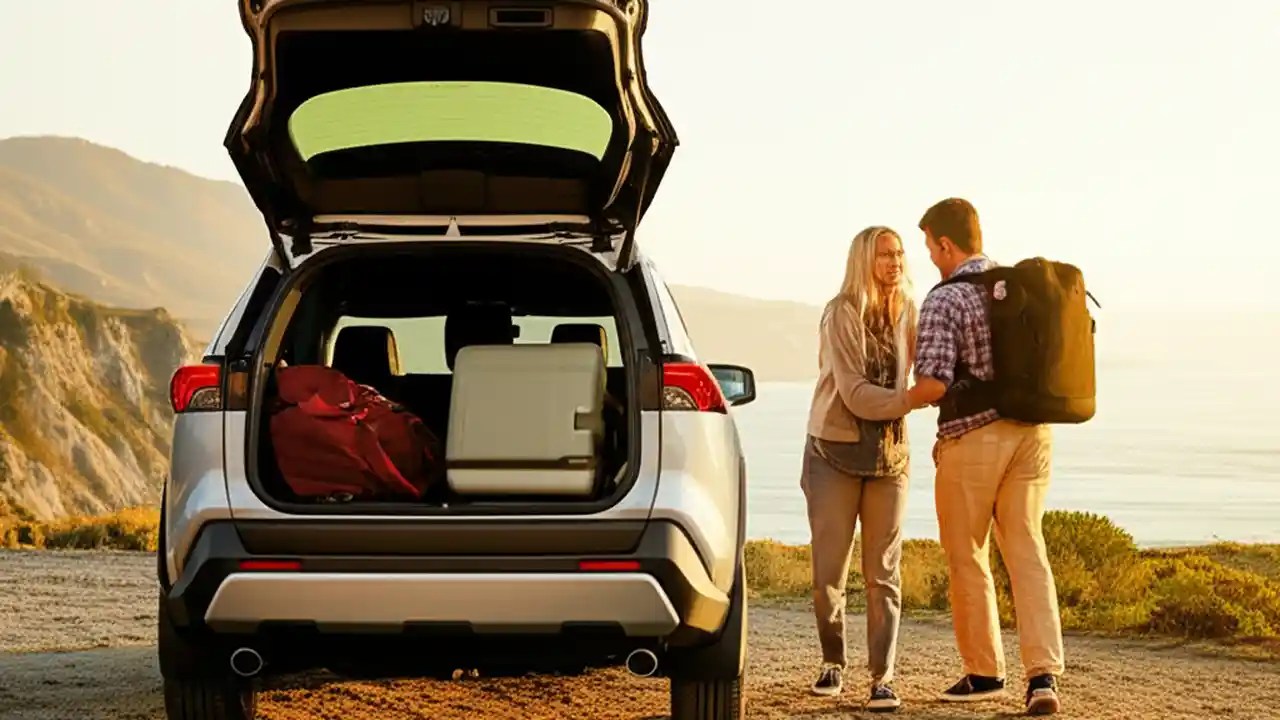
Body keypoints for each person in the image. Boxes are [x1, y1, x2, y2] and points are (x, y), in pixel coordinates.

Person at [905, 198, 1064, 715]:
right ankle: (1043, 678)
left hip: (973, 440)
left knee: (967, 555)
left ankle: (984, 671)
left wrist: (892, 403)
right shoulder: (1016, 289)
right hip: (1033, 436)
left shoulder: (946, 300)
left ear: (946, 243)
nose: (929, 256)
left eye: (930, 246)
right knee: (1027, 551)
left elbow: (932, 384)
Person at [801, 225, 920, 712]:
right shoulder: (841, 312)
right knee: (830, 569)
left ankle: (882, 677)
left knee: (883, 572)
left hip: (890, 456)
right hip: (834, 452)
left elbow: (929, 368)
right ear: (863, 260)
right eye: (884, 254)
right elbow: (853, 392)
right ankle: (833, 660)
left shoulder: (910, 310)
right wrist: (912, 399)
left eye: (900, 253)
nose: (895, 262)